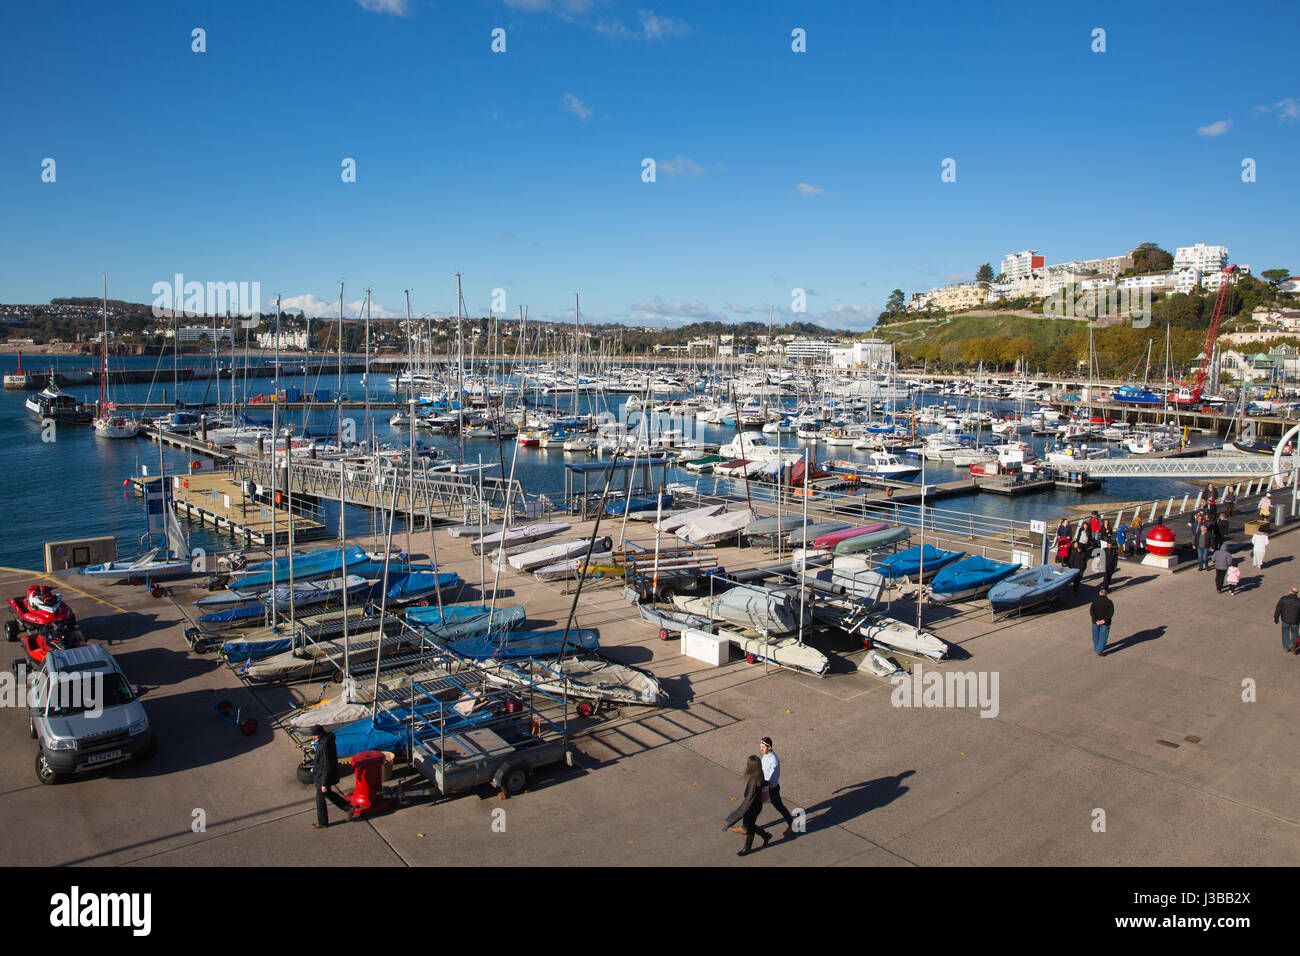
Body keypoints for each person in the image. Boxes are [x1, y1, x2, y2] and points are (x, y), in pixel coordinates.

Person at [723, 755, 772, 856]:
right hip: (756, 806)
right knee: (750, 824)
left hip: (752, 807)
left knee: (749, 826)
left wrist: (739, 813)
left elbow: (749, 798)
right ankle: (765, 835)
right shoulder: (760, 775)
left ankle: (747, 847)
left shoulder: (754, 780)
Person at [311, 725, 352, 829]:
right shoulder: (325, 741)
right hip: (322, 775)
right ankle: (348, 808)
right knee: (328, 794)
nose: (314, 738)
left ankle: (322, 822)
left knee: (320, 800)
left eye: (315, 736)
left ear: (320, 734)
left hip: (322, 777)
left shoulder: (324, 745)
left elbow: (327, 765)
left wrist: (324, 783)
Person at [759, 737, 795, 839]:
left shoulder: (773, 760)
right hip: (765, 787)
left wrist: (761, 784)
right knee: (754, 806)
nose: (761, 749)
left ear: (769, 747)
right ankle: (747, 826)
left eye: (763, 747)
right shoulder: (765, 755)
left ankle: (791, 825)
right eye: (760, 746)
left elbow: (771, 778)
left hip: (771, 789)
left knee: (779, 806)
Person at [1273, 586, 1300, 654]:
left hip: (1285, 620)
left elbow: (1278, 608)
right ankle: (1292, 644)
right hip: (1295, 621)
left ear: (1290, 591)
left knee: (1285, 633)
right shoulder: (1299, 601)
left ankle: (1287, 647)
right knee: (1295, 633)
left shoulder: (1284, 599)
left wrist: (1276, 617)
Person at [1090, 587, 1114, 656]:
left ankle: (1097, 647)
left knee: (1095, 635)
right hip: (1105, 623)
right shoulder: (1109, 602)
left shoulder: (1095, 601)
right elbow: (1111, 612)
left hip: (1095, 622)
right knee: (1103, 636)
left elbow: (1092, 611)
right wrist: (1104, 620)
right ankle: (1099, 651)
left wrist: (1096, 620)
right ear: (1106, 594)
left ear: (1099, 594)